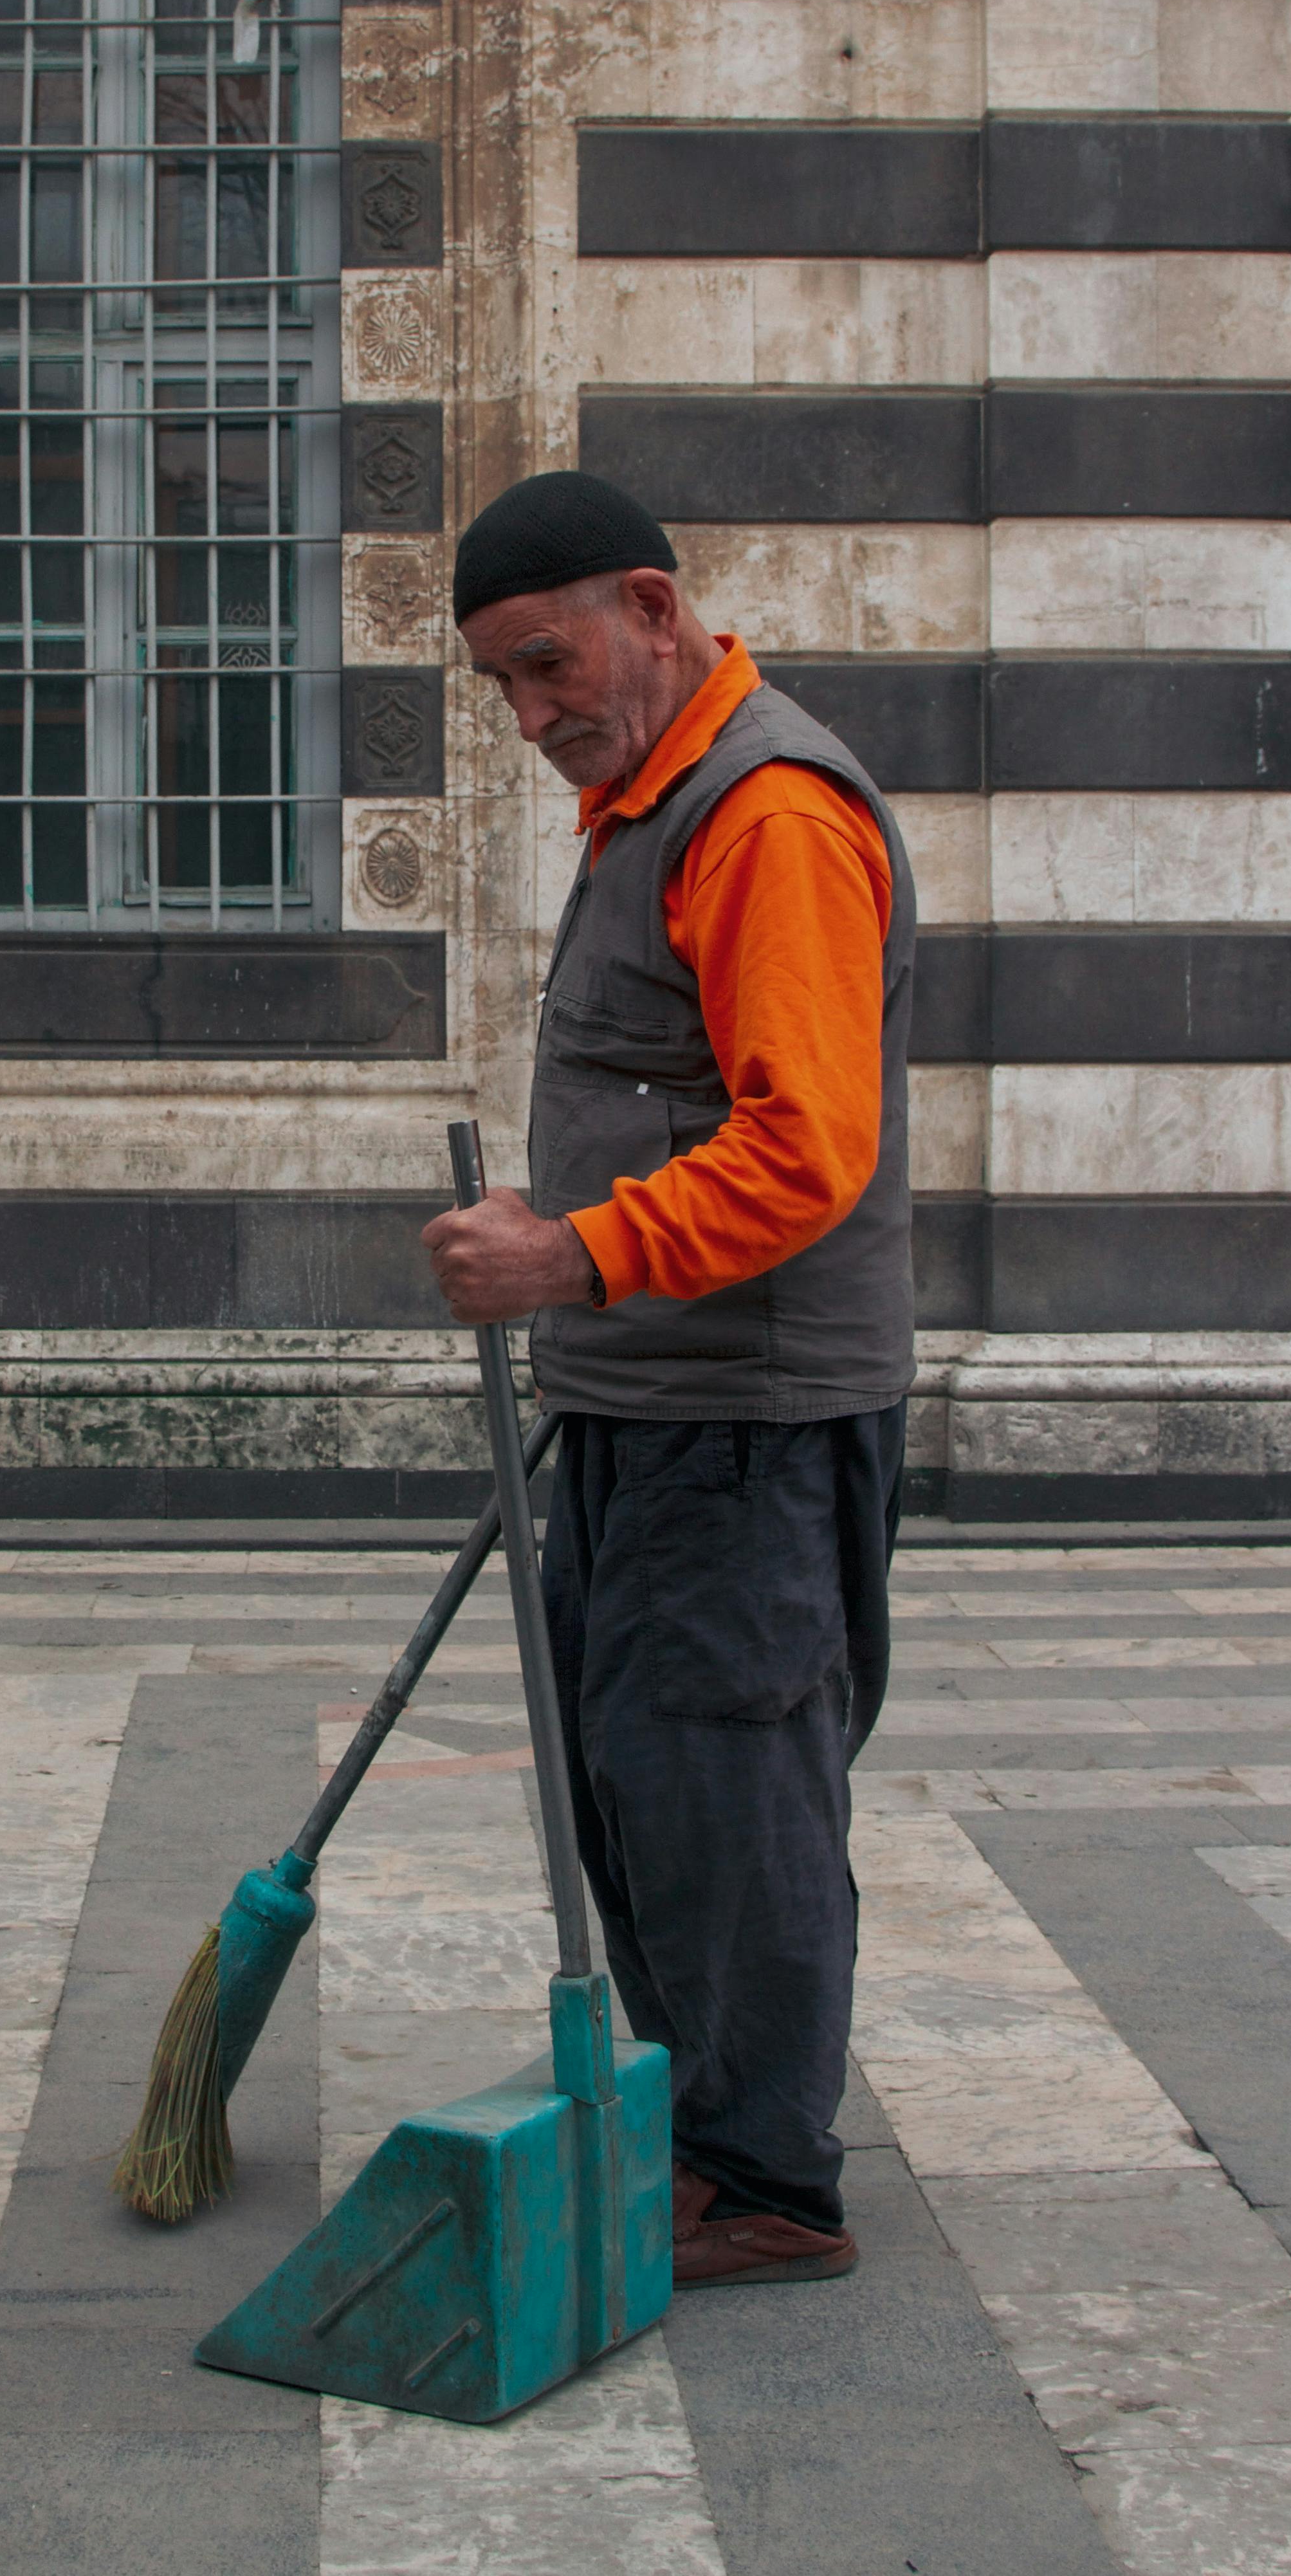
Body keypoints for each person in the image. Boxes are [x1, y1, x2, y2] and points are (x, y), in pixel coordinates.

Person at [421, 469, 914, 2290]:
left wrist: (569, 1254)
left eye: (551, 669)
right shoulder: (652, 800)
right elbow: (683, 1106)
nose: (537, 719)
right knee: (639, 1765)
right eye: (505, 692)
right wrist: (570, 1237)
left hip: (748, 1416)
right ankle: (705, 2124)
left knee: (722, 1778)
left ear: (654, 604)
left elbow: (808, 1148)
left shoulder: (766, 813)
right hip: (653, 1393)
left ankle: (766, 2179)